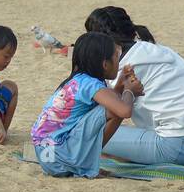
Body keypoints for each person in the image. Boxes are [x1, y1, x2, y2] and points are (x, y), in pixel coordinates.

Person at [85, 7, 184, 166]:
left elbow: (110, 114)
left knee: (88, 136)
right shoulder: (161, 51)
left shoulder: (123, 68)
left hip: (182, 149)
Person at [31, 32, 139, 178]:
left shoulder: (78, 80)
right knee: (114, 110)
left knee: (111, 106)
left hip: (46, 157)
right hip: (59, 156)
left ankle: (84, 161)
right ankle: (85, 163)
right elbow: (124, 111)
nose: (118, 61)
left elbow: (110, 100)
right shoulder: (91, 85)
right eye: (116, 57)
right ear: (105, 64)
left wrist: (120, 83)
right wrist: (130, 91)